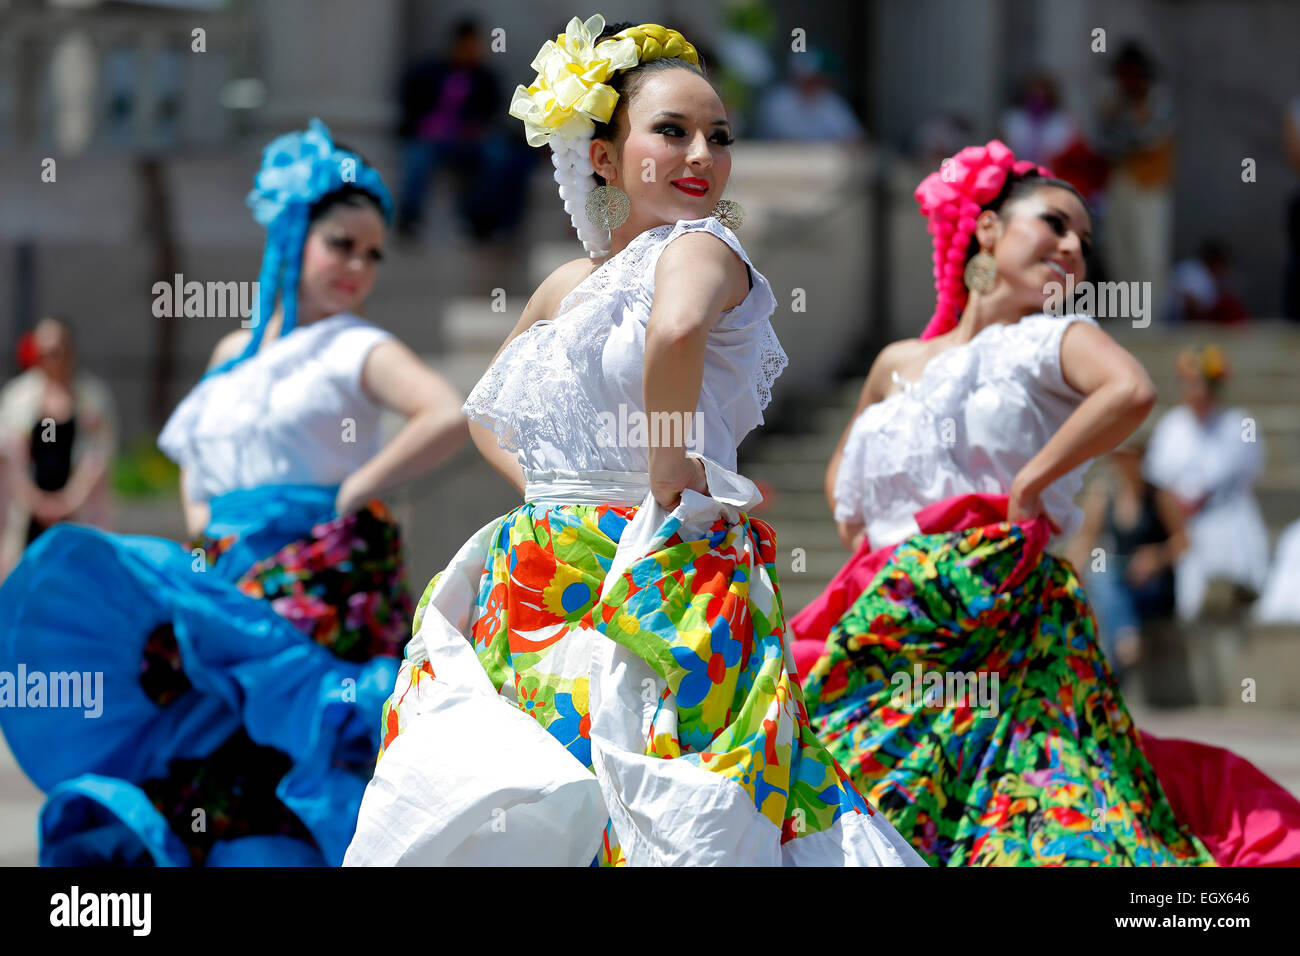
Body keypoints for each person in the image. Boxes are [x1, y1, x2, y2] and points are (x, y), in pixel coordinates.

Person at [345, 15, 922, 868]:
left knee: (657, 801)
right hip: (542, 575)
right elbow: (482, 410)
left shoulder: (703, 246)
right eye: (672, 131)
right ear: (604, 158)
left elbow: (678, 330)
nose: (702, 155)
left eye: (718, 136)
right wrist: (547, 493)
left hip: (658, 567)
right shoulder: (571, 283)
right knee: (549, 794)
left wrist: (667, 474)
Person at [791, 141, 1300, 867]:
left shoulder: (1051, 337)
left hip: (1003, 610)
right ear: (988, 229)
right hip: (891, 616)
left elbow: (1130, 391)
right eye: (1055, 223)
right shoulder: (897, 362)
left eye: (1084, 242)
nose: (1071, 248)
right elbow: (843, 476)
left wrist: (1029, 485)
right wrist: (866, 522)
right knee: (849, 811)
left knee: (1033, 822)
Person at [0, 119, 468, 867]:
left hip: (319, 588)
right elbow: (195, 449)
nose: (358, 265)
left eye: (374, 253)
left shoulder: (356, 345)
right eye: (342, 243)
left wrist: (357, 486)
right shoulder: (232, 354)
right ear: (292, 236)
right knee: (211, 774)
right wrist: (200, 520)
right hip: (223, 584)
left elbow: (446, 413)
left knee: (299, 765)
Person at [1144, 346, 1270, 619]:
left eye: (1204, 383)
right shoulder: (1171, 427)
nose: (1198, 391)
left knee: (1246, 593)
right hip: (1190, 526)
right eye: (1191, 383)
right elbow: (1160, 487)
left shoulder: (1241, 423)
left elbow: (1251, 472)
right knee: (1194, 603)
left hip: (1234, 519)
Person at [0, 316, 116, 580]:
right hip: (27, 517)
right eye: (46, 352)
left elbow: (99, 455)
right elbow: (9, 459)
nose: (53, 359)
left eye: (59, 350)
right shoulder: (17, 398)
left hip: (77, 513)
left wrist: (67, 502)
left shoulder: (92, 397)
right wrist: (37, 502)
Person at [1074, 438, 1186, 685]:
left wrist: (1156, 557)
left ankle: (1121, 650)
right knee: (1102, 575)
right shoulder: (1104, 496)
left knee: (1107, 591)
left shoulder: (1159, 496)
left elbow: (1183, 542)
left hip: (1153, 584)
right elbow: (1085, 541)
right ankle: (1127, 639)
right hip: (1120, 578)